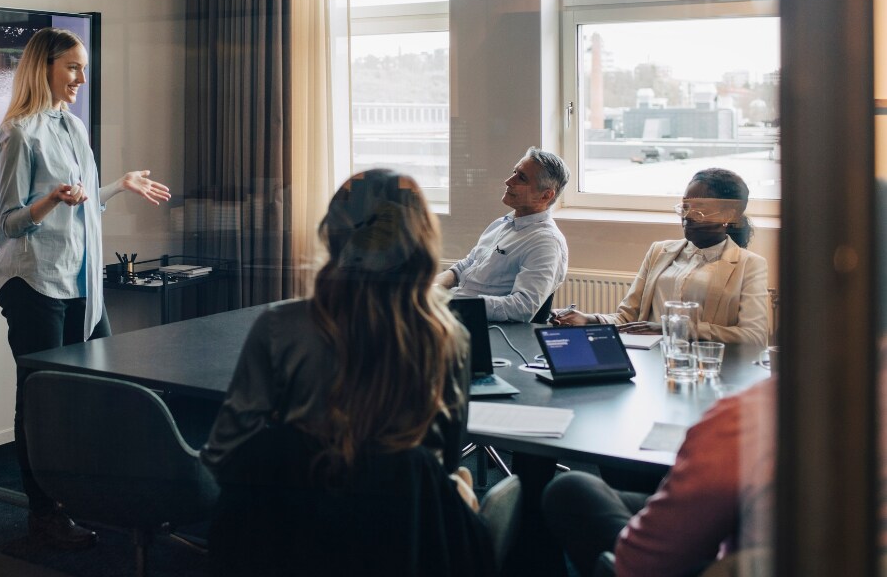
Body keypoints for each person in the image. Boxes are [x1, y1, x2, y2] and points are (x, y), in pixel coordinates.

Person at [202, 169, 496, 575]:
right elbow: (440, 465)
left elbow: (224, 455)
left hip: (287, 545)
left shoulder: (279, 327)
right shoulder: (450, 338)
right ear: (420, 242)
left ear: (335, 236)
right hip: (402, 546)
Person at [0, 27, 170, 548]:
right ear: (43, 67)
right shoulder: (18, 133)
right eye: (73, 67)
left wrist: (117, 185)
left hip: (80, 282)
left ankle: (87, 496)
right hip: (35, 282)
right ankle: (44, 513)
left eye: (82, 68)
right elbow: (9, 222)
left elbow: (83, 203)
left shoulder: (72, 126)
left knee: (100, 391)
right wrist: (50, 200)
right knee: (41, 403)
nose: (81, 79)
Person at [541, 378, 776, 577]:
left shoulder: (745, 419)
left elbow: (640, 565)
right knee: (591, 490)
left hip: (728, 565)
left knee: (568, 491)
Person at [551, 168, 769, 344]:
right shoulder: (659, 252)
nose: (687, 217)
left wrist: (673, 329)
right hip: (648, 358)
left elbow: (754, 335)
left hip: (703, 362)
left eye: (699, 210)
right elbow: (627, 319)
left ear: (729, 215)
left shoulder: (749, 265)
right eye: (685, 207)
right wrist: (587, 319)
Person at [435, 147, 570, 323]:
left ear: (546, 195)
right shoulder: (501, 224)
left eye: (521, 178)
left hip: (477, 323)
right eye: (514, 172)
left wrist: (454, 305)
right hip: (453, 312)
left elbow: (522, 308)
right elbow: (465, 266)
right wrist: (430, 289)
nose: (508, 181)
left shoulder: (545, 242)